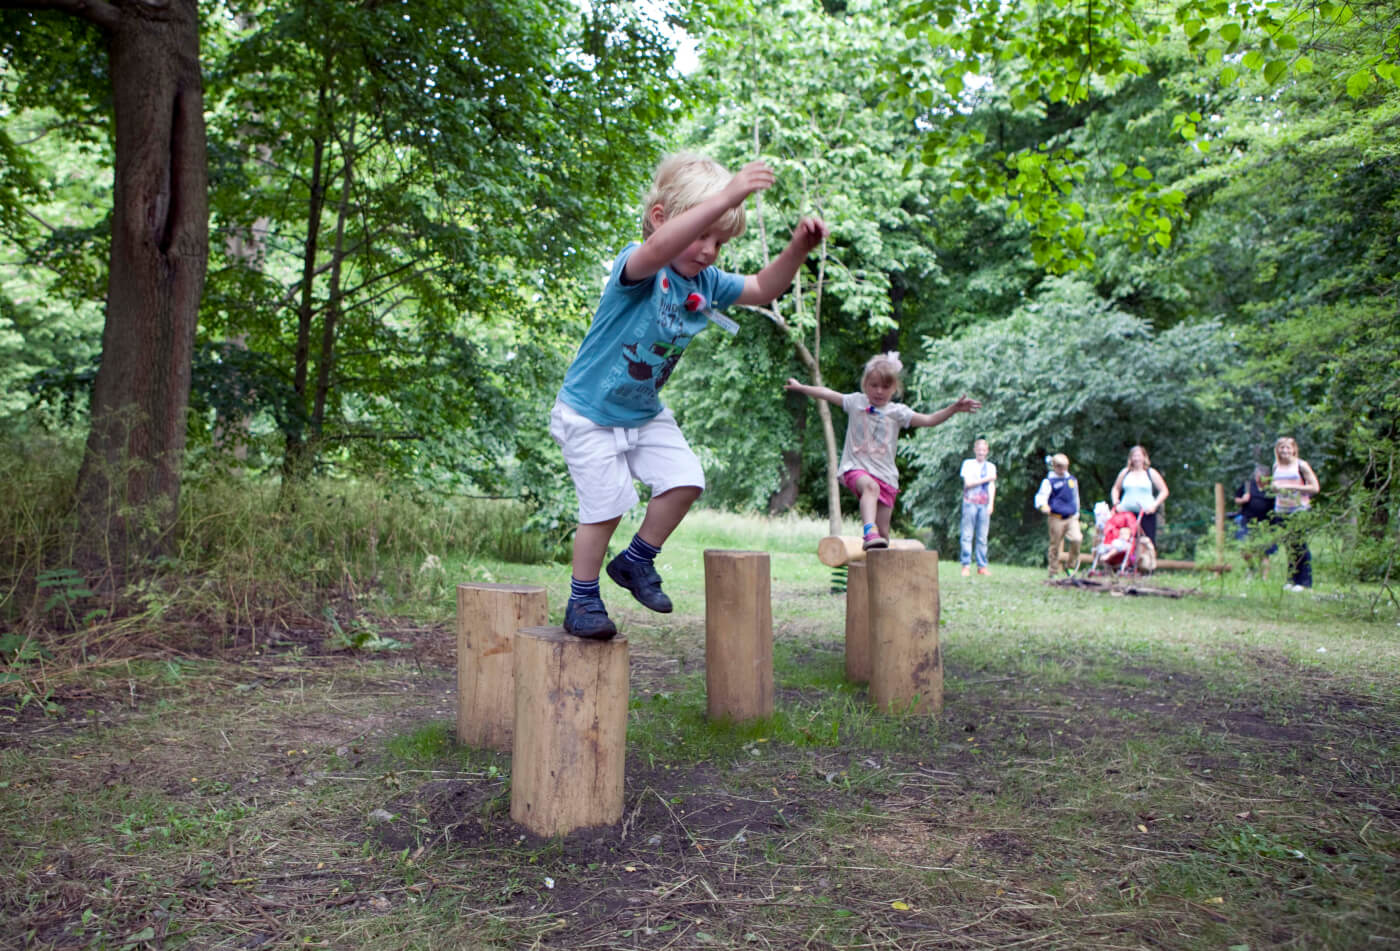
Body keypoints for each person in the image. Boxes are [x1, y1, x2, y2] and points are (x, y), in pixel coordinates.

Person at [553, 153, 830, 639]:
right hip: (589, 413)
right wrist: (728, 195)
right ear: (661, 219)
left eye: (720, 241)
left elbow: (765, 287)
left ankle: (636, 561)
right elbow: (661, 246)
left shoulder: (705, 283)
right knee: (608, 503)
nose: (708, 250)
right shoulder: (640, 268)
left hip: (642, 412)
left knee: (685, 479)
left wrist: (798, 249)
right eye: (702, 234)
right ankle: (582, 599)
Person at [785, 353, 980, 552]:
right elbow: (826, 393)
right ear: (865, 384)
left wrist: (953, 409)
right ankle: (869, 530)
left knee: (883, 536)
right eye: (874, 385)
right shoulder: (855, 402)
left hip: (886, 476)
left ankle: (875, 568)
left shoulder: (898, 412)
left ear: (894, 388)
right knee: (870, 488)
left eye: (885, 387)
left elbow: (929, 420)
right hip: (856, 468)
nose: (879, 391)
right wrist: (801, 388)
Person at [1271, 436, 1320, 591]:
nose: (1285, 450)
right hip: (1281, 509)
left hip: (1299, 509)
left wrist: (1293, 488)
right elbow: (1274, 486)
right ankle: (1291, 579)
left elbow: (1315, 488)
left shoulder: (1301, 465)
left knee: (1300, 544)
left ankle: (1305, 582)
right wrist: (1275, 488)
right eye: (1281, 447)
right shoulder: (1276, 466)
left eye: (1287, 447)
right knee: (1289, 546)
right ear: (1277, 450)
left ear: (1293, 449)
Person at [1111, 445, 1169, 545]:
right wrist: (1116, 503)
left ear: (1144, 457)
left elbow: (1164, 491)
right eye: (1134, 456)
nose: (1137, 458)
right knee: (1125, 543)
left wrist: (1154, 505)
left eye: (1139, 456)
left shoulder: (1150, 473)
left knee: (1146, 544)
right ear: (1131, 458)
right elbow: (1115, 488)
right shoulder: (1125, 472)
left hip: (1146, 514)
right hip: (1127, 514)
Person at [1035, 453, 1081, 578]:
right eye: (1060, 466)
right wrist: (1043, 506)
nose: (1062, 469)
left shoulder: (1071, 480)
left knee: (1077, 539)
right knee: (1055, 545)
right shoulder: (1049, 481)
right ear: (1054, 466)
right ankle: (1053, 571)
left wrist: (1077, 512)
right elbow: (1041, 496)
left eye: (1065, 466)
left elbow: (1075, 497)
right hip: (1056, 517)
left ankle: (1070, 566)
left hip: (1071, 517)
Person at [958, 438, 996, 576]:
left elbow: (992, 486)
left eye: (983, 450)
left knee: (982, 537)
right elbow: (968, 483)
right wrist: (987, 479)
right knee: (967, 535)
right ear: (975, 450)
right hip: (970, 502)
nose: (981, 452)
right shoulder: (968, 464)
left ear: (987, 451)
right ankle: (966, 565)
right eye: (979, 449)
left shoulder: (991, 467)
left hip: (984, 504)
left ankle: (982, 566)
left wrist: (991, 504)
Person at [1233, 464, 1277, 578]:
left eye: (1262, 476)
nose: (1259, 478)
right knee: (1244, 547)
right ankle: (1252, 568)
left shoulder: (1272, 488)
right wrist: (1243, 500)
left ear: (1267, 477)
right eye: (1258, 476)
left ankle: (1265, 578)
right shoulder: (1248, 486)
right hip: (1247, 521)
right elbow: (1236, 499)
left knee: (1264, 551)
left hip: (1266, 523)